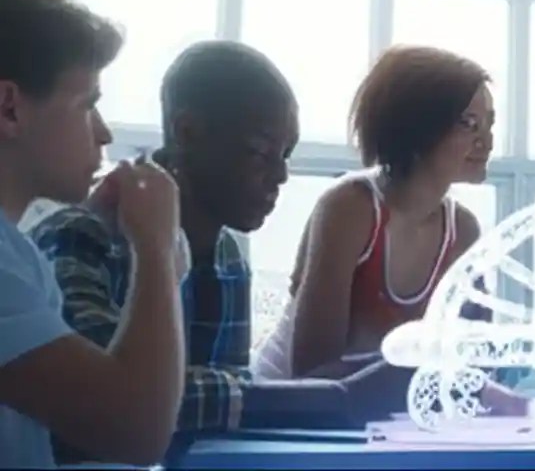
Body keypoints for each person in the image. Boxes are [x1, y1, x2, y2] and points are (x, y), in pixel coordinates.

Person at [29, 41, 399, 462]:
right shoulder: (81, 237)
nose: (280, 174)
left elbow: (220, 409)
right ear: (188, 133)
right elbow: (112, 404)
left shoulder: (228, 255)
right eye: (261, 152)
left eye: (286, 156)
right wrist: (340, 396)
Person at [252, 45, 526, 414]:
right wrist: (427, 370)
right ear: (418, 127)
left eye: (490, 124)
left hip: (372, 417)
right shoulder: (350, 208)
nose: (487, 141)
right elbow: (311, 368)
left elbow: (475, 359)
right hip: (283, 409)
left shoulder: (462, 230)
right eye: (469, 124)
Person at [0, 0, 184, 468]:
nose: (102, 132)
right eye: (87, 104)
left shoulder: (18, 255)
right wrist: (156, 248)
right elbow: (136, 430)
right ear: (10, 108)